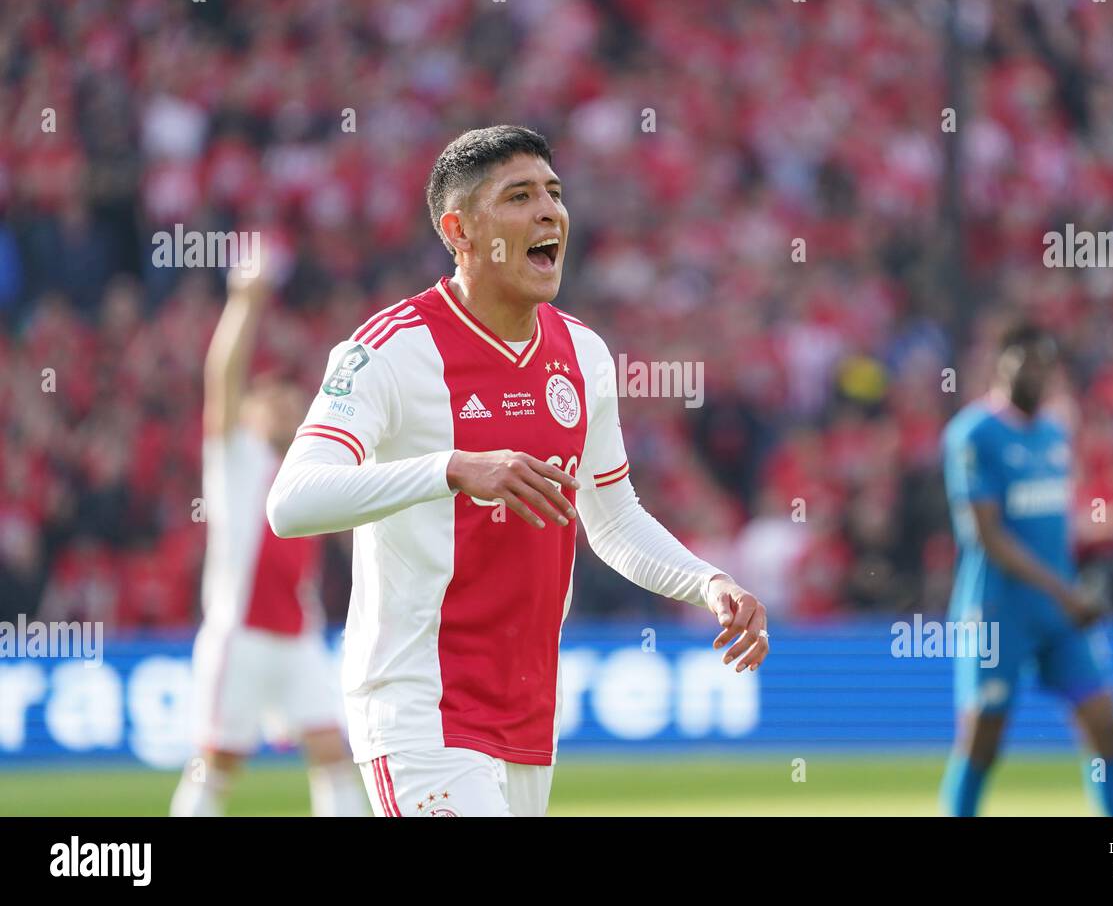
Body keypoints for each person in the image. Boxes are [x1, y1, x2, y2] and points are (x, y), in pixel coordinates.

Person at [266, 125, 770, 817]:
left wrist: (707, 581)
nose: (549, 212)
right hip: (419, 702)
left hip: (529, 709)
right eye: (520, 195)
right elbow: (291, 502)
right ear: (460, 230)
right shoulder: (390, 349)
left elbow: (612, 515)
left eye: (555, 194)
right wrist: (449, 468)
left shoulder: (584, 354)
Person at [171, 265, 367, 817]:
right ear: (253, 411)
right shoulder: (237, 458)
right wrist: (245, 304)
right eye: (274, 401)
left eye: (291, 401)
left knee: (332, 752)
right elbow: (222, 379)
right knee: (216, 762)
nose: (285, 408)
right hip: (242, 635)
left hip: (298, 636)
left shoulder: (303, 469)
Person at [939, 321, 1113, 816]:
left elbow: (1048, 523)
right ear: (1001, 365)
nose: (1036, 374)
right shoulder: (972, 434)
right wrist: (1065, 592)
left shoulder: (1054, 433)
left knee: (1108, 729)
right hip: (998, 607)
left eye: (1044, 364)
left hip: (1058, 608)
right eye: (1024, 362)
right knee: (984, 738)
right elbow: (987, 536)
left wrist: (1099, 542)